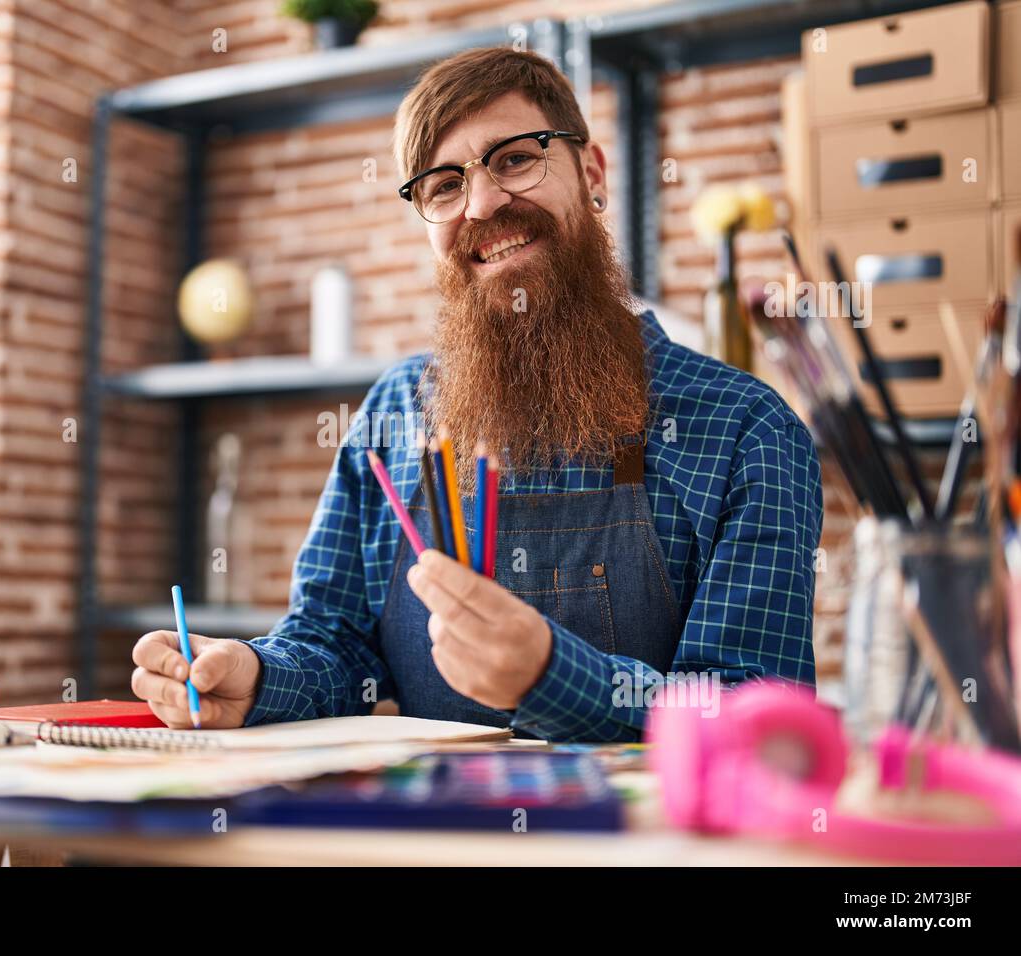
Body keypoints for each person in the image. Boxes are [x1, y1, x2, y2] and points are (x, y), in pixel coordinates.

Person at [132, 46, 823, 741]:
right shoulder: (394, 414)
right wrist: (254, 676)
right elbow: (334, 645)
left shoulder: (747, 430)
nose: (484, 203)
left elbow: (752, 716)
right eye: (443, 186)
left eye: (516, 159)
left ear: (591, 175)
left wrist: (554, 676)